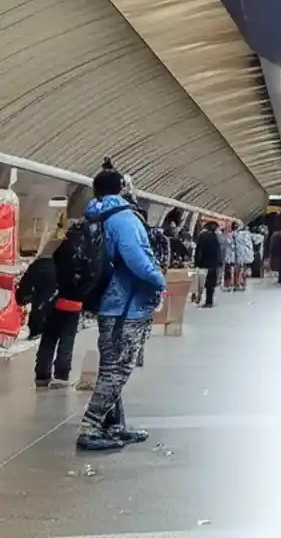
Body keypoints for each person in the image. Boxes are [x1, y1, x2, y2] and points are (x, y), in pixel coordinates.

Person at [77, 158, 166, 451]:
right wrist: (159, 279)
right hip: (126, 305)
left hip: (108, 303)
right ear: (122, 188)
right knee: (118, 369)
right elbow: (137, 258)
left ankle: (114, 425)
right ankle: (90, 426)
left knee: (112, 365)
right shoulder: (124, 218)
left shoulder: (95, 216)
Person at [18, 239, 80, 389]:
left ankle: (42, 375)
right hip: (70, 305)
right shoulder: (72, 263)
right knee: (67, 340)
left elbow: (24, 289)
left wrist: (26, 299)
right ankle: (61, 375)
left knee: (48, 340)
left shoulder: (39, 265)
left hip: (47, 308)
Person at [192, 221, 222, 308]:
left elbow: (199, 251)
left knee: (199, 283)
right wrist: (219, 262)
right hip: (214, 264)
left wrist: (197, 263)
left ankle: (198, 299)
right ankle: (209, 301)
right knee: (211, 284)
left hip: (203, 263)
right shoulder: (216, 237)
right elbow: (219, 251)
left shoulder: (203, 237)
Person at [231, 222, 253, 290]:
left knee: (238, 270)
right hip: (247, 255)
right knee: (244, 269)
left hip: (238, 255)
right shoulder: (248, 234)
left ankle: (237, 283)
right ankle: (244, 284)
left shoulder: (235, 234)